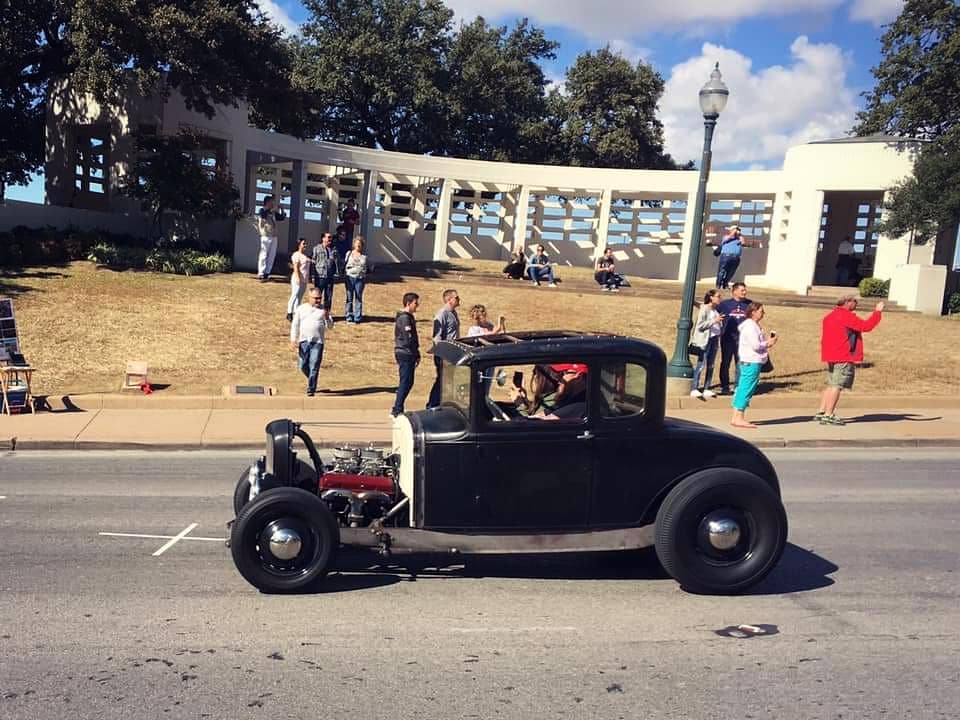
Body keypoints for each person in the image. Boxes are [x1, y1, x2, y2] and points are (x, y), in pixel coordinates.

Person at [815, 295, 884, 426]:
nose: (856, 303)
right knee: (837, 385)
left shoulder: (830, 316)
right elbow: (866, 326)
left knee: (831, 384)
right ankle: (829, 414)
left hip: (831, 355)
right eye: (854, 301)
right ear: (847, 302)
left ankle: (821, 411)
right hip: (843, 355)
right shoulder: (846, 316)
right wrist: (877, 312)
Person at [730, 302, 779, 429]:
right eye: (761, 311)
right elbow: (756, 345)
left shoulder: (752, 326)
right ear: (753, 312)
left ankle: (736, 416)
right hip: (751, 361)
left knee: (743, 388)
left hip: (750, 360)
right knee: (747, 389)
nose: (763, 313)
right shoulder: (750, 326)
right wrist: (768, 343)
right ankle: (739, 417)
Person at [290, 288, 334, 397]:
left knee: (314, 365)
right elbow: (295, 325)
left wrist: (327, 317)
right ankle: (312, 378)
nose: (318, 300)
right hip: (304, 341)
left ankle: (311, 388)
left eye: (319, 298)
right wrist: (293, 339)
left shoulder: (323, 310)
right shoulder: (301, 309)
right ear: (309, 298)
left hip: (317, 342)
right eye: (316, 298)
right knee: (302, 365)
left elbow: (331, 326)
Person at [509, 363, 588, 421]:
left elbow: (537, 425)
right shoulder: (569, 399)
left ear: (579, 377)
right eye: (558, 374)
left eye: (562, 373)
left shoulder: (580, 404)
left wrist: (520, 404)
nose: (558, 378)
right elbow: (537, 416)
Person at [426, 288, 460, 408]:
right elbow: (437, 337)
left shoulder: (453, 313)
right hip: (444, 354)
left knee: (449, 380)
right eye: (456, 297)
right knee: (442, 380)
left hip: (453, 353)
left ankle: (444, 404)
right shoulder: (442, 314)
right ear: (449, 299)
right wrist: (442, 353)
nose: (459, 299)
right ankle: (432, 404)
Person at [716, 282, 752, 394]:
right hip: (727, 338)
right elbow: (712, 309)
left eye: (745, 290)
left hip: (743, 339)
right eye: (742, 290)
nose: (744, 292)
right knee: (725, 362)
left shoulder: (749, 304)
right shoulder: (725, 304)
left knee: (740, 363)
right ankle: (725, 386)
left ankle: (738, 386)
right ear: (734, 291)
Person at [689, 289, 724, 399]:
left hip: (715, 339)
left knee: (711, 365)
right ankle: (694, 388)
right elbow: (700, 326)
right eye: (718, 296)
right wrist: (715, 320)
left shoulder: (715, 310)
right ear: (711, 297)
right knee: (701, 364)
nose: (720, 299)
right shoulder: (704, 309)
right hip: (706, 340)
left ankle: (707, 388)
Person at [391, 292, 421, 418]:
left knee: (409, 382)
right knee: (405, 381)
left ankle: (399, 406)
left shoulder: (410, 317)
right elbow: (408, 338)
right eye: (415, 303)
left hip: (410, 353)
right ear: (408, 303)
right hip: (405, 352)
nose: (417, 305)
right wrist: (413, 350)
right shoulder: (404, 318)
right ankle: (397, 409)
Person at [255, 195, 286, 281]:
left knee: (272, 255)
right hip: (265, 235)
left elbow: (282, 217)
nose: (273, 203)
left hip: (274, 236)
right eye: (271, 202)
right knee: (264, 254)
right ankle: (261, 272)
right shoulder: (262, 210)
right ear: (267, 202)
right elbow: (263, 215)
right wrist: (271, 210)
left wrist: (282, 209)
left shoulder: (273, 213)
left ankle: (267, 272)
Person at [286, 237, 312, 322]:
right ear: (299, 245)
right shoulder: (296, 255)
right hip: (298, 278)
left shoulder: (305, 256)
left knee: (299, 297)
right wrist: (297, 277)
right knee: (294, 294)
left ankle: (296, 312)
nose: (305, 245)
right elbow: (296, 267)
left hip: (304, 279)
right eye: (303, 243)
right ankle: (289, 312)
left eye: (305, 244)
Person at [343, 236, 368, 323]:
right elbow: (345, 264)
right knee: (349, 298)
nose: (358, 245)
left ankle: (357, 317)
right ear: (354, 244)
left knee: (358, 298)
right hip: (350, 277)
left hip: (360, 279)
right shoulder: (349, 253)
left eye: (360, 244)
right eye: (357, 244)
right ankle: (349, 316)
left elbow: (365, 268)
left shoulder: (364, 256)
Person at [311, 232, 338, 310]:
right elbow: (313, 262)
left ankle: (326, 314)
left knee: (328, 296)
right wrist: (312, 275)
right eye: (328, 237)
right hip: (320, 276)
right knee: (317, 296)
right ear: (323, 238)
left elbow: (336, 263)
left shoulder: (333, 249)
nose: (330, 239)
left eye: (330, 238)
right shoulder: (316, 248)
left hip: (330, 276)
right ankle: (315, 311)